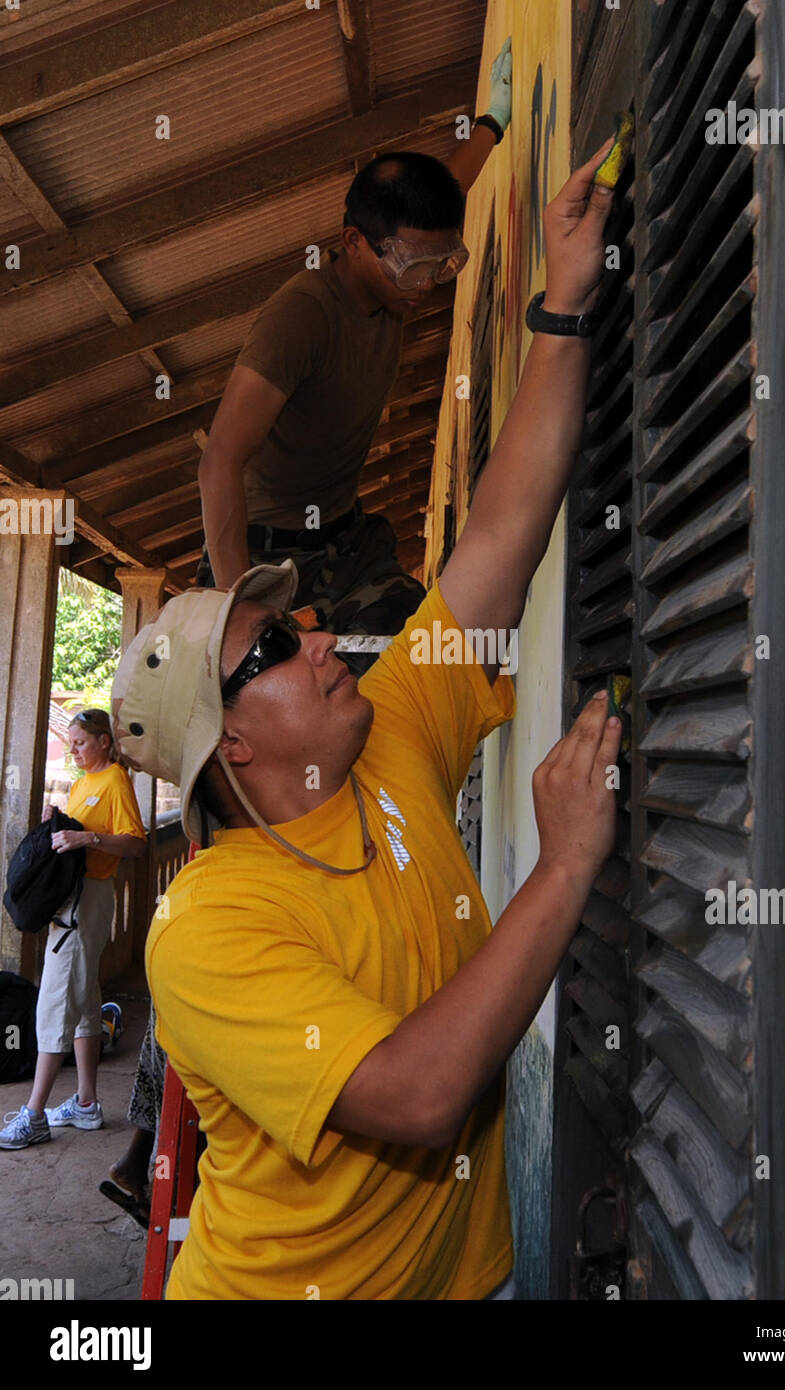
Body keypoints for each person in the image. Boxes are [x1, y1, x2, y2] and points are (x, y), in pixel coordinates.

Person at [109, 136, 619, 1299]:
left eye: (304, 623)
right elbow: (416, 1090)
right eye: (278, 644)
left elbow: (499, 536)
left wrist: (563, 303)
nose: (326, 635)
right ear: (232, 745)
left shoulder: (386, 735)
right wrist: (564, 865)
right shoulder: (208, 928)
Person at [196, 38, 513, 640]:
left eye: (441, 264)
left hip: (346, 535)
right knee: (283, 693)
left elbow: (450, 184)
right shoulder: (303, 316)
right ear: (353, 243)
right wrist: (237, 608)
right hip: (264, 552)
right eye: (412, 266)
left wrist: (492, 120)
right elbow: (219, 462)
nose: (425, 284)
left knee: (418, 648)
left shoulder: (399, 267)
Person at [0, 709, 146, 1151]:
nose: (73, 750)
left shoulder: (115, 780)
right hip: (73, 898)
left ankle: (35, 1113)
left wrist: (89, 840)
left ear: (104, 741)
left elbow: (136, 843)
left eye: (80, 742)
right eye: (70, 743)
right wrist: (58, 822)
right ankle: (85, 1102)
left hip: (91, 898)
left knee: (55, 1001)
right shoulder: (85, 782)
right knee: (83, 999)